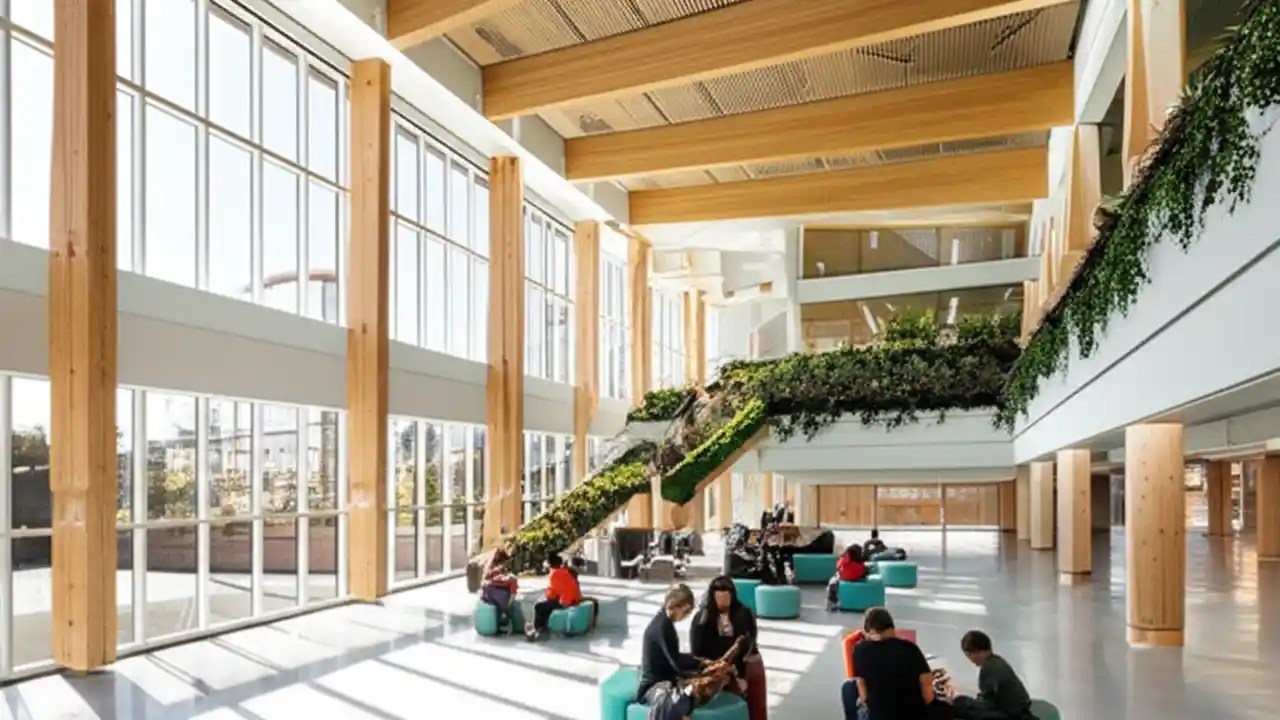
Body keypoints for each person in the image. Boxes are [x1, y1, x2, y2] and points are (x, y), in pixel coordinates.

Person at [843, 608, 951, 720]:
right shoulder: (911, 649)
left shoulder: (860, 650)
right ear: (892, 628)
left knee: (848, 688)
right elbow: (928, 697)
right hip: (912, 716)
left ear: (870, 631)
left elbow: (864, 697)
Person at [637, 584, 708, 717]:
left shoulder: (664, 622)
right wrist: (700, 663)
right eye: (686, 611)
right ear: (676, 606)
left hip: (664, 679)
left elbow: (673, 657)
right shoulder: (662, 628)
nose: (686, 616)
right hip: (653, 686)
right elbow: (676, 662)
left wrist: (699, 661)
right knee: (679, 701)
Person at [690, 576, 761, 704]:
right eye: (720, 595)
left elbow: (750, 639)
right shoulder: (703, 619)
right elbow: (697, 651)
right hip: (711, 665)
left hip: (738, 663)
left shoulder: (743, 613)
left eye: (727, 594)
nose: (724, 599)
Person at [952, 631, 1034, 720]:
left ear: (975, 652)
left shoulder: (989, 668)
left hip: (1010, 714)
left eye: (968, 655)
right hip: (1018, 709)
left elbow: (988, 702)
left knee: (961, 704)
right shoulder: (997, 661)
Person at [527, 554, 582, 641]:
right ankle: (542, 629)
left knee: (539, 607)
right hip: (572, 599)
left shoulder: (556, 573)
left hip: (565, 602)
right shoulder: (565, 572)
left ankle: (538, 630)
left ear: (551, 564)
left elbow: (555, 592)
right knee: (546, 607)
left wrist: (549, 597)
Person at [479, 547, 519, 632]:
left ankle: (501, 620)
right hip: (492, 592)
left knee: (498, 603)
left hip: (491, 593)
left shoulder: (506, 576)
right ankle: (502, 619)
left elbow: (512, 591)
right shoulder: (495, 572)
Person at [826, 544, 869, 611]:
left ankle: (831, 603)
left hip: (842, 578)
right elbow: (862, 571)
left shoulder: (844, 561)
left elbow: (838, 566)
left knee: (833, 582)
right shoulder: (859, 564)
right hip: (855, 578)